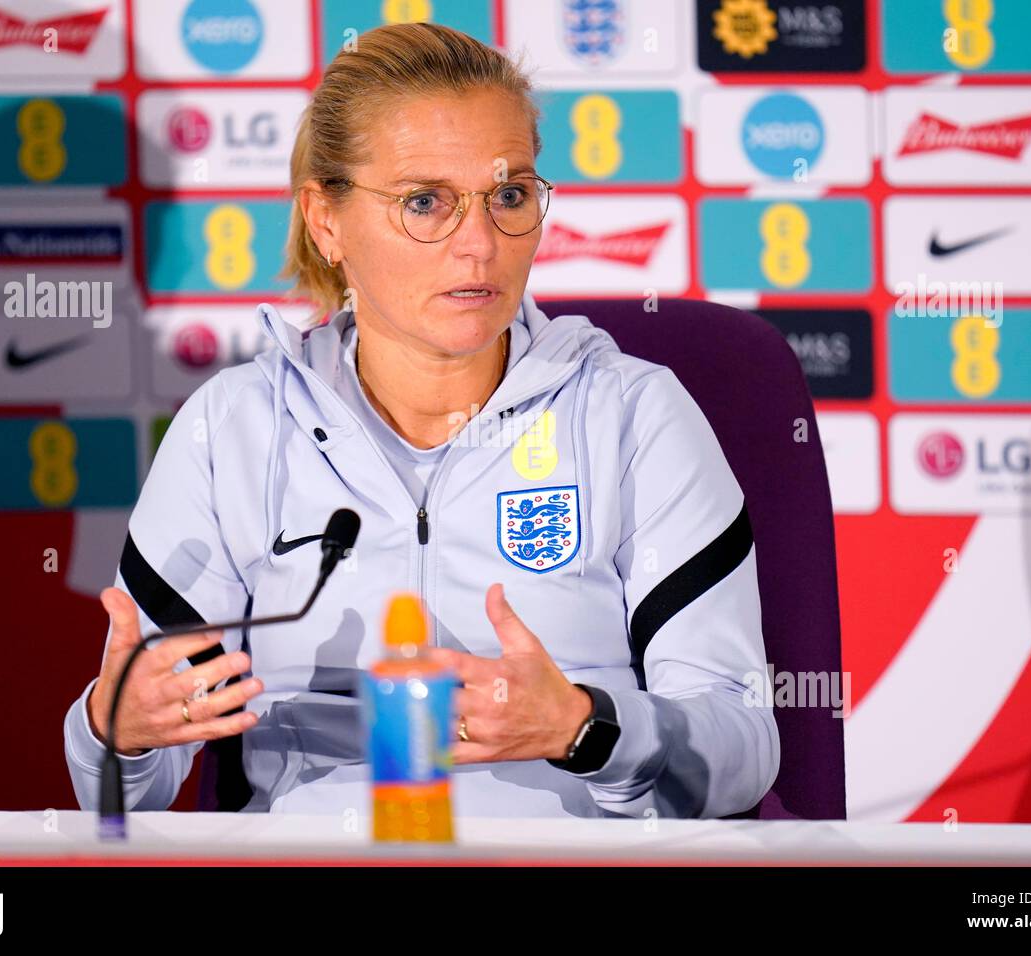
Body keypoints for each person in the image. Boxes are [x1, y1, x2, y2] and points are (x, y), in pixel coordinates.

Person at [63, 22, 778, 819]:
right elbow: (121, 798)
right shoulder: (232, 430)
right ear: (325, 220)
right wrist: (115, 732)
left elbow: (743, 747)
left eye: (508, 195)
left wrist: (584, 728)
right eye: (425, 202)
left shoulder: (634, 416)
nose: (479, 244)